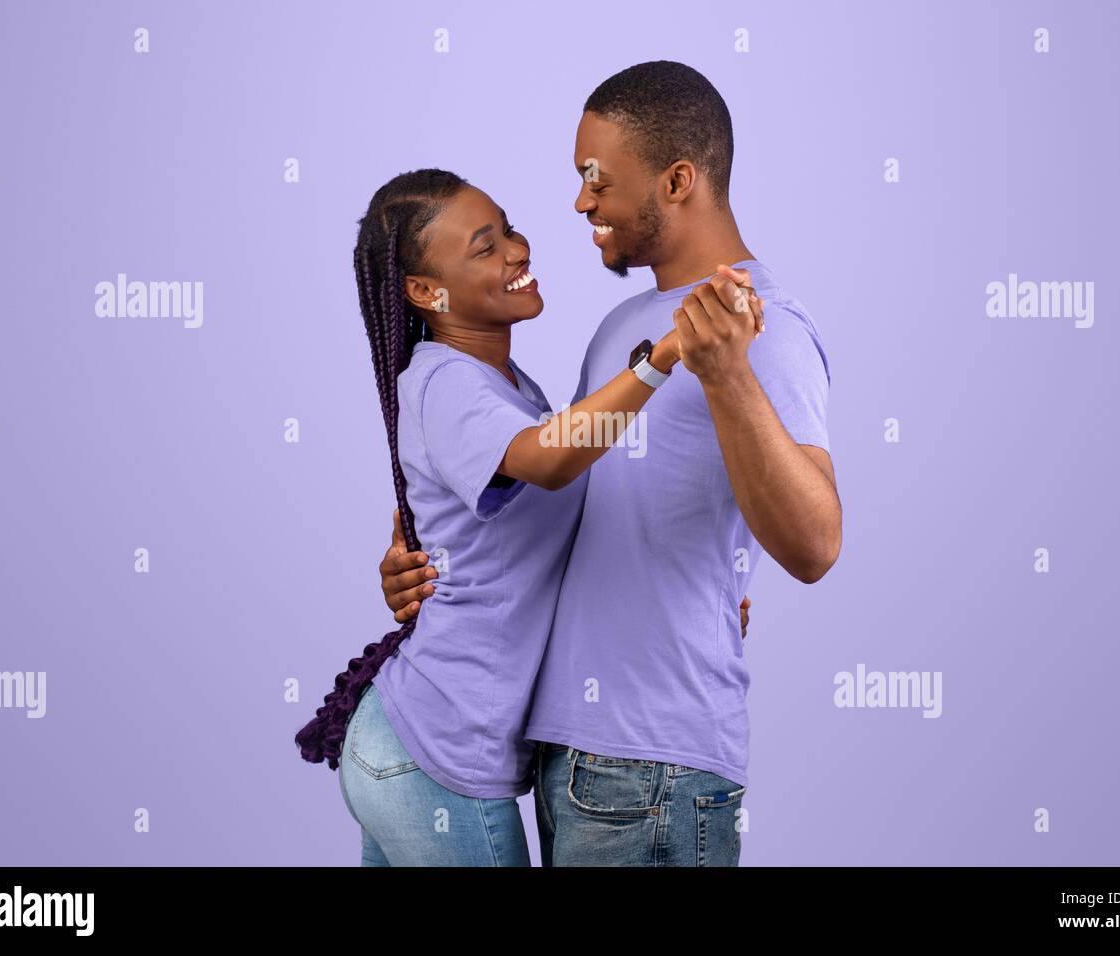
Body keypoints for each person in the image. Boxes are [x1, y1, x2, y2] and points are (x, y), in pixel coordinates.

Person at [380, 61, 842, 867]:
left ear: (676, 181)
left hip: (656, 765)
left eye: (597, 179)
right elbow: (561, 489)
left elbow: (814, 545)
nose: (581, 202)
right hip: (566, 758)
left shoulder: (763, 323)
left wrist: (727, 372)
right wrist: (427, 557)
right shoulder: (624, 326)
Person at [296, 167, 761, 866]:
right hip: (435, 758)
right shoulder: (444, 380)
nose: (517, 251)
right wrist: (664, 356)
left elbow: (554, 533)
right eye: (485, 248)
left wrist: (691, 594)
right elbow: (551, 459)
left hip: (414, 750)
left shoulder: (509, 386)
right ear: (425, 291)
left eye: (509, 230)